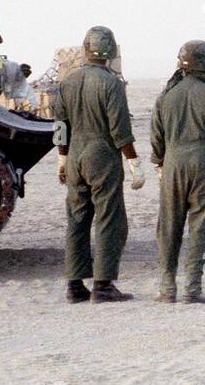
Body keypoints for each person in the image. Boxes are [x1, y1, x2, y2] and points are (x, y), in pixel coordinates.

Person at [53, 26, 144, 303]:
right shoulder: (111, 83)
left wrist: (63, 157)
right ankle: (103, 286)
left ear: (85, 48)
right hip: (102, 155)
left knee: (77, 220)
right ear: (112, 52)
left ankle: (75, 286)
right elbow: (120, 130)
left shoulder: (67, 82)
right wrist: (133, 162)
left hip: (75, 156)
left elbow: (59, 125)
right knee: (109, 219)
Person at [150, 40, 205, 304]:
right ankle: (192, 289)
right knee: (201, 226)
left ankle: (167, 289)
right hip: (204, 165)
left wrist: (159, 165)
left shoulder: (166, 95)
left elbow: (156, 137)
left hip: (173, 164)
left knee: (168, 226)